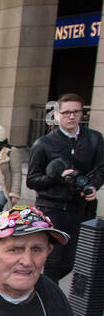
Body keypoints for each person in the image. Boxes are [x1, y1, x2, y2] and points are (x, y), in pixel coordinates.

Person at [26, 93, 103, 281]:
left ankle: (42, 290)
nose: (71, 116)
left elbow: (101, 168)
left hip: (80, 208)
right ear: (57, 114)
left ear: (82, 114)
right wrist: (56, 177)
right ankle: (47, 301)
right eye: (67, 112)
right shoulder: (43, 144)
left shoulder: (94, 139)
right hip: (52, 208)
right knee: (53, 262)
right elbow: (32, 180)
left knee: (72, 261)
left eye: (76, 112)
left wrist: (93, 186)